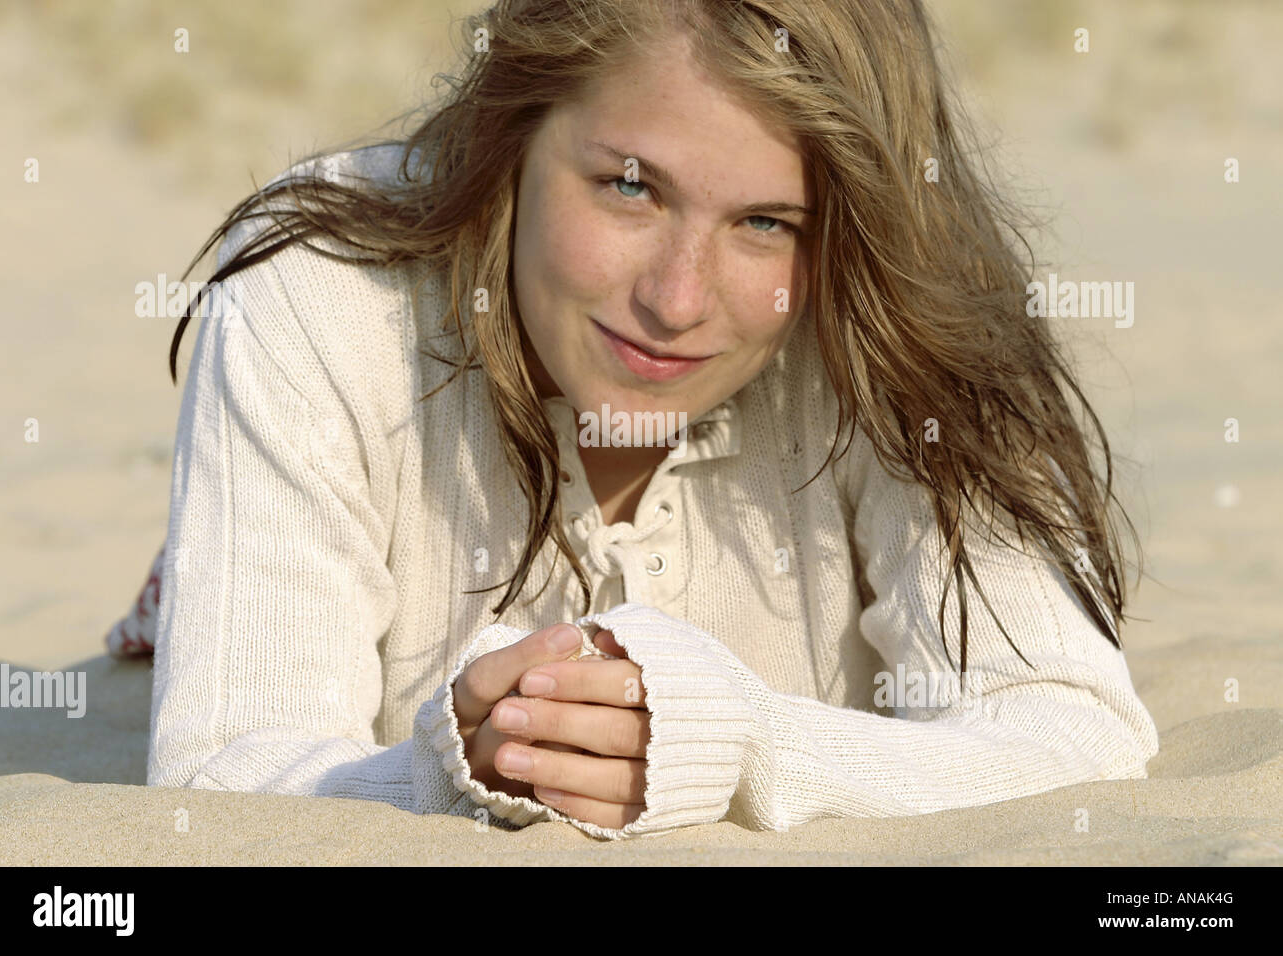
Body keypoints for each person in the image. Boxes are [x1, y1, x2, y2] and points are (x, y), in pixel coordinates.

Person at [119, 0, 1159, 840]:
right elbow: (222, 788)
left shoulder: (890, 316)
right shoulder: (322, 289)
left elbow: (1071, 725)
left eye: (765, 223)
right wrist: (464, 770)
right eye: (629, 187)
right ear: (509, 134)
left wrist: (736, 741)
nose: (675, 298)